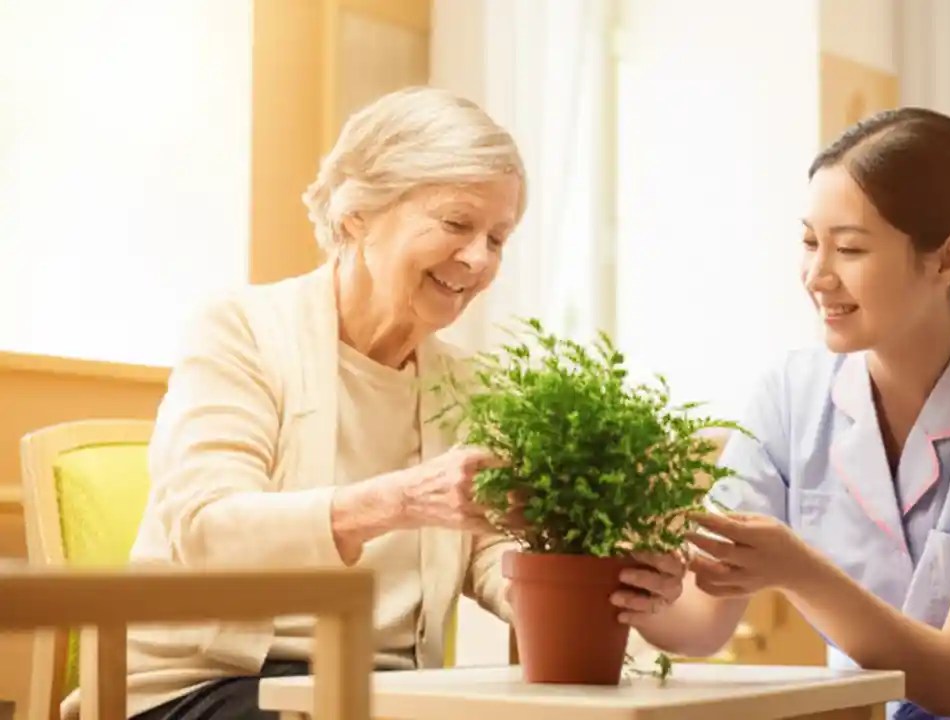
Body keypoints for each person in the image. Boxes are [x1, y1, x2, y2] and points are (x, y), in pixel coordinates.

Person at [78, 87, 676, 720]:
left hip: (388, 695)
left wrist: (599, 580)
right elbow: (207, 531)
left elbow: (494, 555)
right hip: (205, 688)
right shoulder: (242, 330)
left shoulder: (470, 385)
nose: (477, 258)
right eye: (456, 224)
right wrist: (400, 500)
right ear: (357, 213)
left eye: (498, 238)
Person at [623, 108, 950, 719]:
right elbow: (700, 624)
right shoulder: (789, 396)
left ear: (946, 261)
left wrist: (799, 571)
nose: (816, 276)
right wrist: (619, 572)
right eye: (809, 242)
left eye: (849, 248)